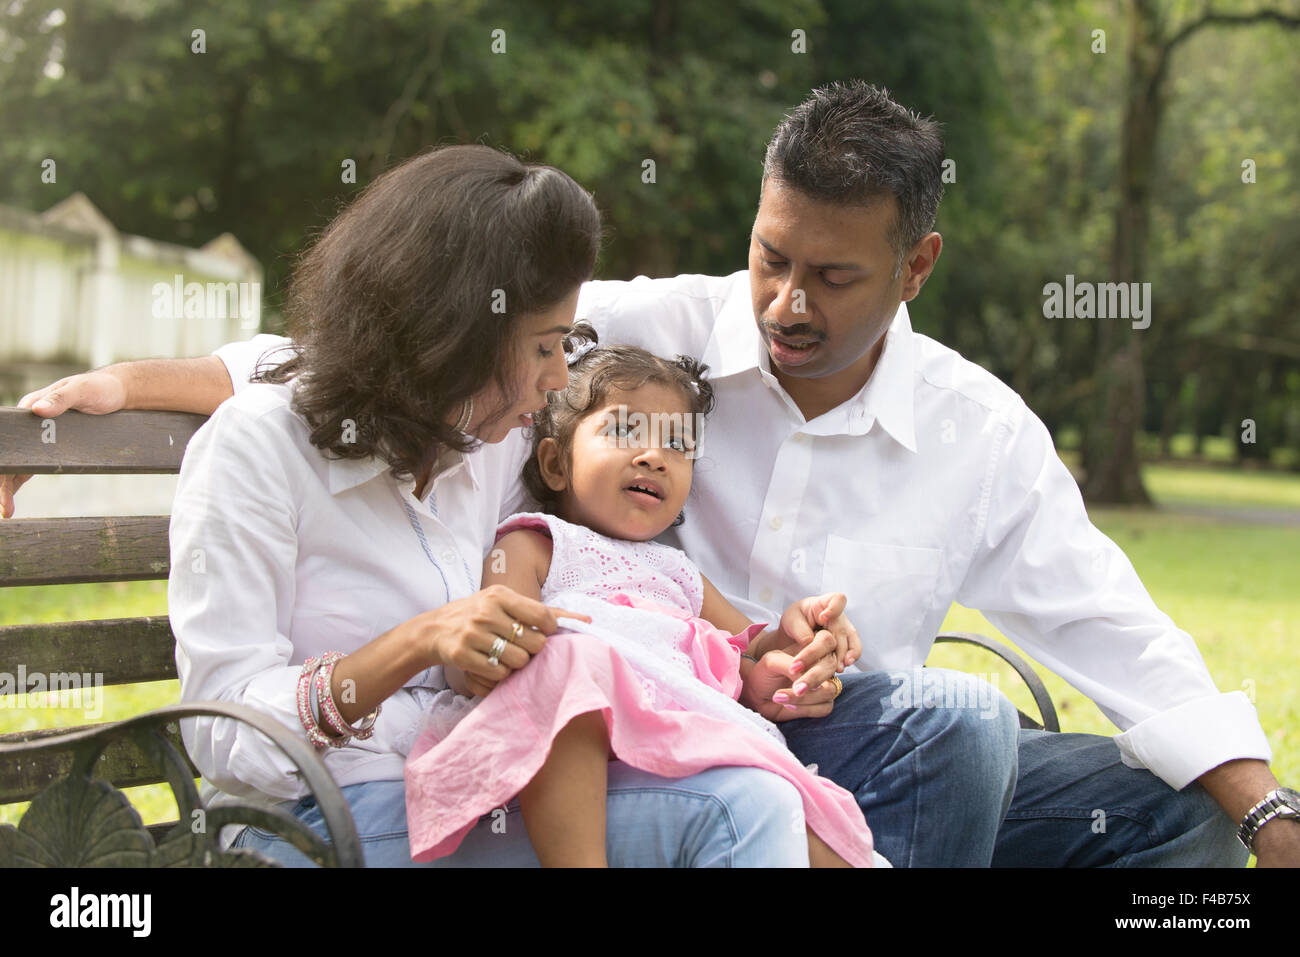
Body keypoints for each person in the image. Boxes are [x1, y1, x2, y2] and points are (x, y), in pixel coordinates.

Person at [9, 81, 1297, 867]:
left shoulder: (981, 433)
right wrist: (122, 387)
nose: (785, 301)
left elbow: (1117, 634)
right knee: (920, 742)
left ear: (915, 268)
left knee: (1145, 809)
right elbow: (363, 351)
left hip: (775, 725)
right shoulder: (633, 343)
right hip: (595, 751)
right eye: (767, 256)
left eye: (831, 277)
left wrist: (1262, 808)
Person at [159, 143, 829, 867]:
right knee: (737, 812)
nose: (555, 383)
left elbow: (604, 561)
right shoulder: (259, 449)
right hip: (312, 822)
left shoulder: (487, 447)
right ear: (452, 336)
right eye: (543, 350)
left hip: (473, 787)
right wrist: (417, 643)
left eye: (564, 348)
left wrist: (760, 645)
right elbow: (222, 732)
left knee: (762, 794)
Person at [404, 342, 874, 867]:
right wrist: (509, 655)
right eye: (625, 431)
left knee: (821, 838)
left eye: (677, 444)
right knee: (566, 662)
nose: (654, 455)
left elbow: (750, 652)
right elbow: (498, 644)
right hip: (574, 748)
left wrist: (789, 648)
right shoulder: (537, 544)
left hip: (687, 743)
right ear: (556, 464)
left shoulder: (677, 573)